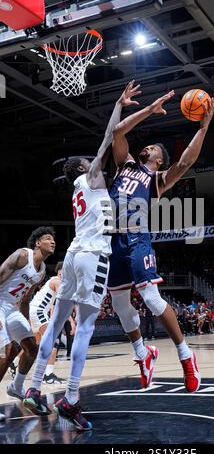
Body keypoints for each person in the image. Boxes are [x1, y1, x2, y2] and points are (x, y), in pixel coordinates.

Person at [23, 81, 141, 431]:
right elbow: (109, 137)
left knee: (57, 325)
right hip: (91, 256)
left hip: (75, 255)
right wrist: (120, 105)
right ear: (81, 169)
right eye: (90, 162)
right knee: (85, 327)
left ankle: (33, 387)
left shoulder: (82, 189)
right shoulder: (89, 178)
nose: (96, 162)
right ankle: (71, 398)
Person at [108, 90, 214, 392]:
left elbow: (184, 163)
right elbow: (117, 131)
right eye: (148, 145)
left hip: (137, 238)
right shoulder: (125, 165)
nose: (148, 147)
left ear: (158, 159)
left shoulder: (156, 180)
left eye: (153, 148)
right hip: (112, 240)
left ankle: (186, 356)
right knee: (119, 304)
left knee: (152, 299)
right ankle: (142, 354)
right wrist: (149, 109)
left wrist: (203, 128)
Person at [0, 227, 56, 407]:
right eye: (48, 238)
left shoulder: (42, 272)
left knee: (32, 348)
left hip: (12, 309)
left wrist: (27, 324)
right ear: (38, 243)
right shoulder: (23, 255)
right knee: (7, 351)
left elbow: (24, 301)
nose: (53, 241)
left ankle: (16, 386)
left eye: (53, 239)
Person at [29, 261, 66, 384]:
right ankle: (48, 375)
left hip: (36, 310)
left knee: (36, 343)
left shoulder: (55, 281)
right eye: (61, 272)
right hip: (38, 311)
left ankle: (15, 364)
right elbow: (64, 301)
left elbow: (53, 305)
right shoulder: (57, 281)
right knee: (53, 341)